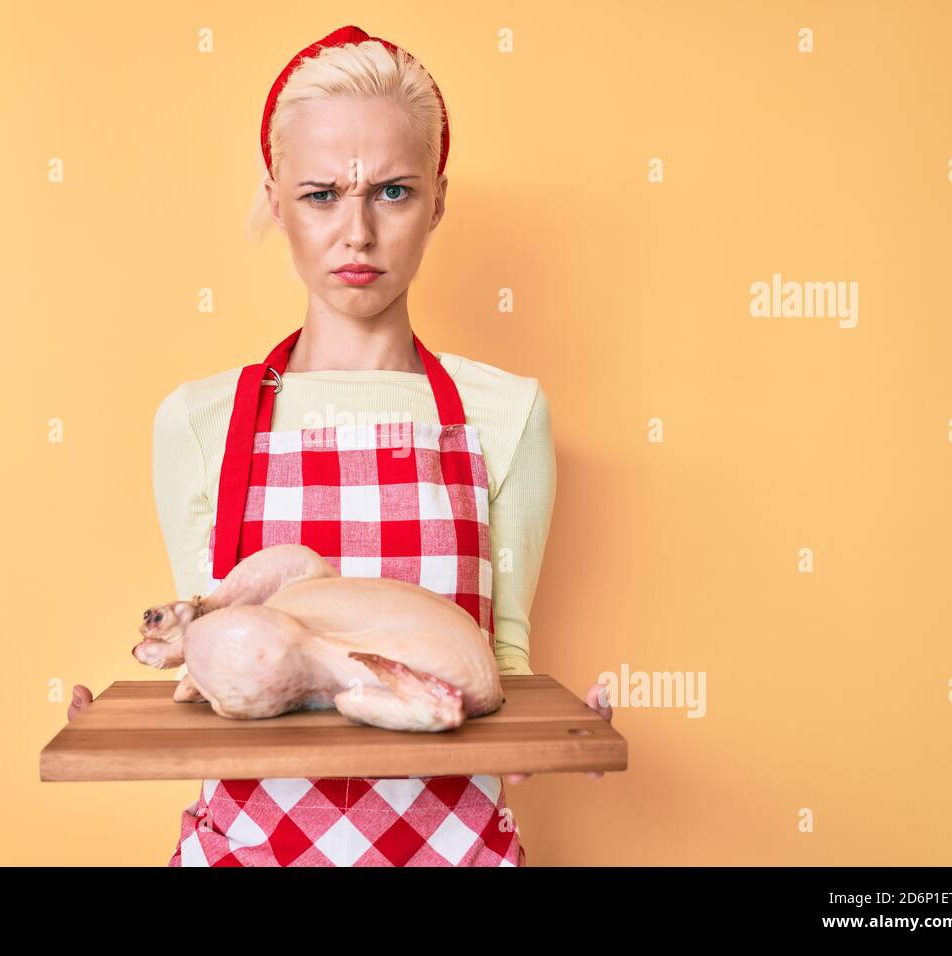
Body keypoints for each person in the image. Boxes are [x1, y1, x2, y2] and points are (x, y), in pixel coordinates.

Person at [67, 24, 613, 866]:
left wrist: (563, 738)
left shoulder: (506, 414)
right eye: (322, 193)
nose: (356, 232)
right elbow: (216, 665)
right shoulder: (200, 422)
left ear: (438, 199)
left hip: (452, 850)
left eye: (391, 192)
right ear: (275, 195)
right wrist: (117, 728)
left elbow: (502, 672)